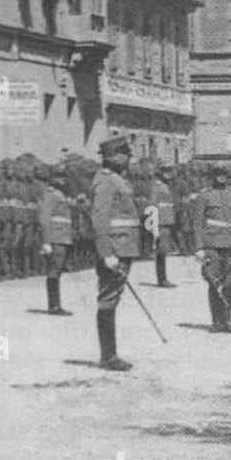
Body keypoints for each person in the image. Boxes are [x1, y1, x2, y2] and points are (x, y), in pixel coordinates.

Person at [90, 137, 140, 371]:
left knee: (113, 299)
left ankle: (110, 354)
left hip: (123, 246)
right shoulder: (106, 181)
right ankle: (108, 356)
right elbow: (99, 218)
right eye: (126, 155)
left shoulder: (118, 180)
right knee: (108, 299)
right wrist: (106, 253)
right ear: (116, 157)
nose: (129, 159)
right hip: (115, 249)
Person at [192, 164, 231, 335]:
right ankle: (216, 321)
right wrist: (199, 247)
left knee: (229, 282)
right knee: (214, 281)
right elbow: (198, 223)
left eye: (224, 175)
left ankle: (227, 321)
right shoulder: (205, 196)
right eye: (218, 175)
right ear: (213, 177)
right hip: (212, 244)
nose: (221, 178)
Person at [39, 162, 75, 315]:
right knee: (54, 271)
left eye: (63, 177)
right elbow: (44, 218)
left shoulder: (60, 194)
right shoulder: (51, 194)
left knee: (58, 271)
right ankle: (54, 306)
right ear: (52, 179)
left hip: (63, 237)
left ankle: (55, 305)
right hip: (55, 238)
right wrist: (46, 241)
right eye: (59, 177)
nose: (62, 180)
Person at [149, 163, 178, 287]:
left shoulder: (166, 186)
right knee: (161, 251)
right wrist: (152, 227)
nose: (168, 174)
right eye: (165, 171)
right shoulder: (157, 186)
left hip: (167, 221)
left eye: (170, 171)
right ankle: (162, 279)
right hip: (160, 223)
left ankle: (163, 279)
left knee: (164, 251)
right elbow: (152, 206)